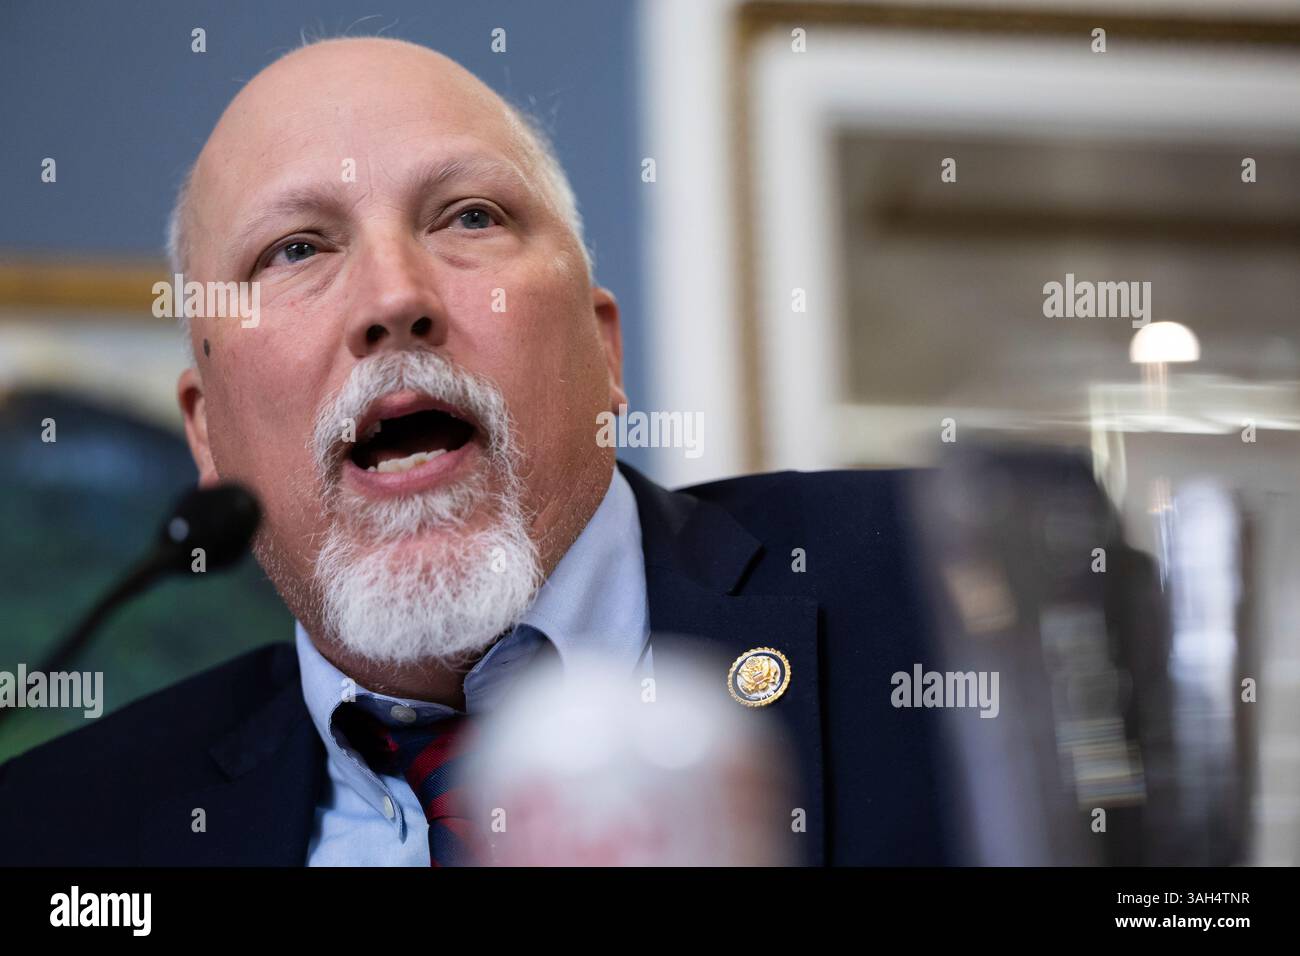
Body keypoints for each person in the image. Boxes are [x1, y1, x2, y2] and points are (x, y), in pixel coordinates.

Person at [0, 37, 952, 866]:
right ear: (205, 430)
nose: (392, 298)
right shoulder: (53, 833)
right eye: (295, 250)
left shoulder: (947, 593)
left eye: (469, 216)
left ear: (604, 348)